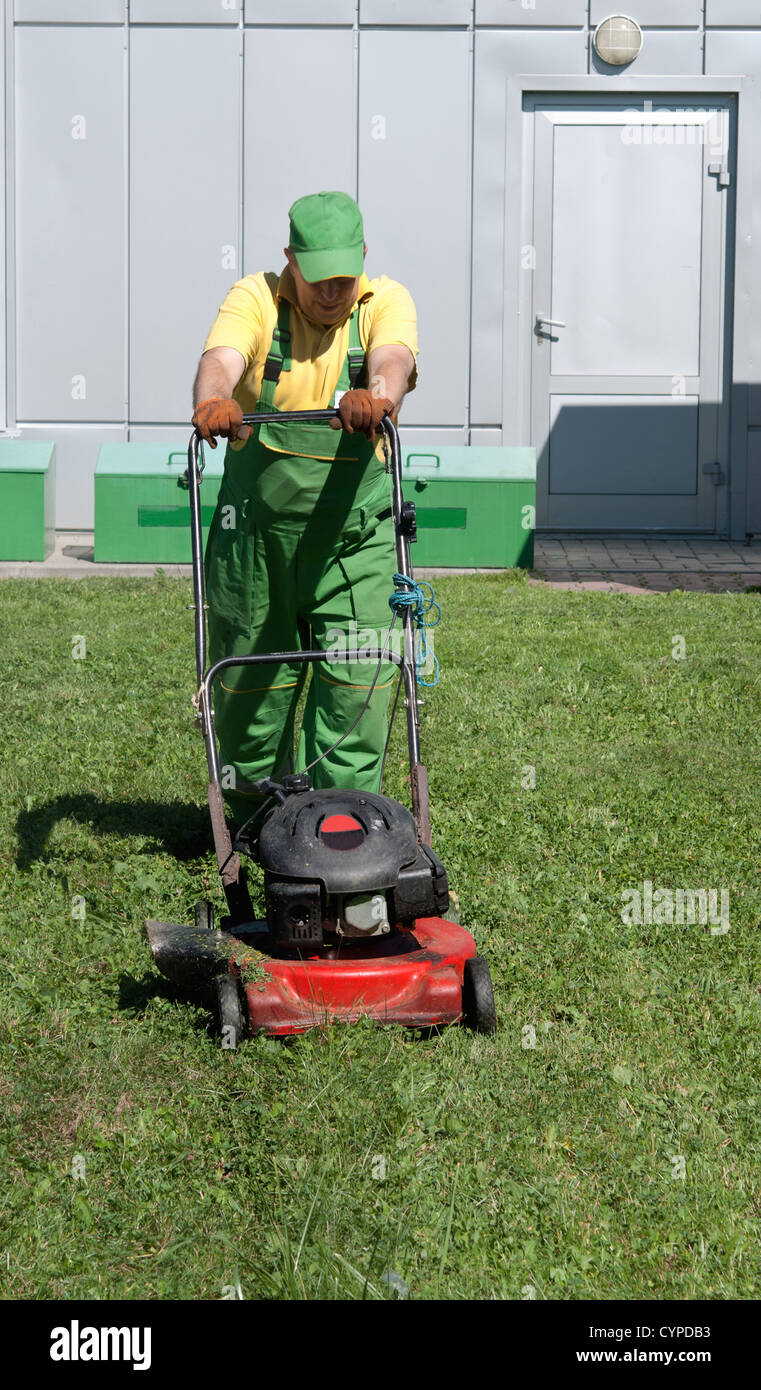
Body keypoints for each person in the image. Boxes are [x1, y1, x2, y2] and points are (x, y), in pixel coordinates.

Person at [191, 190, 418, 829]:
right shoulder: (255, 298)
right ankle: (256, 826)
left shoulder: (384, 301)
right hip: (256, 541)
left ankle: (344, 827)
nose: (331, 292)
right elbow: (223, 358)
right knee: (250, 690)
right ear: (290, 259)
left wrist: (376, 397)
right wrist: (213, 400)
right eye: (318, 277)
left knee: (357, 683)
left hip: (354, 542)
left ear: (363, 260)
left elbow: (393, 359)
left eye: (344, 277)